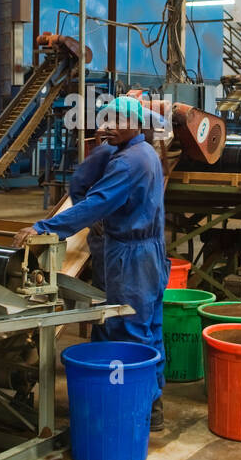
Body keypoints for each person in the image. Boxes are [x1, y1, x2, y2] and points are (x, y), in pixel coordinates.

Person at [14, 96, 170, 430]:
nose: (103, 128)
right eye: (104, 120)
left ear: (134, 124)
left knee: (126, 330)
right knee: (148, 329)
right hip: (150, 253)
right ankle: (151, 405)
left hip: (130, 257)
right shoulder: (142, 153)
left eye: (114, 122)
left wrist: (45, 227)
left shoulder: (128, 162)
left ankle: (129, 410)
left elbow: (96, 203)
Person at [68, 139, 116, 292]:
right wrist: (92, 219)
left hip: (129, 235)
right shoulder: (106, 152)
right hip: (105, 231)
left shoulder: (142, 153)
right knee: (105, 286)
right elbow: (77, 186)